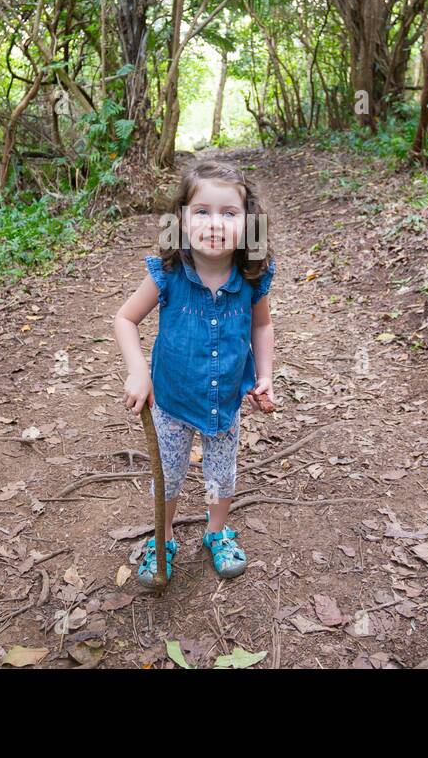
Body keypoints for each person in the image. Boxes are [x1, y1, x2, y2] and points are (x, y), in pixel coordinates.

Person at [113, 159, 277, 586]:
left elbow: (262, 326)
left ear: (249, 224)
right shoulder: (168, 275)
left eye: (229, 213)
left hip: (224, 403)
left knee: (220, 477)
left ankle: (216, 531)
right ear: (181, 220)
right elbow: (125, 320)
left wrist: (265, 375)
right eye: (201, 211)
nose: (215, 223)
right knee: (167, 476)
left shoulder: (250, 277)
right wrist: (138, 372)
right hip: (170, 401)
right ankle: (163, 536)